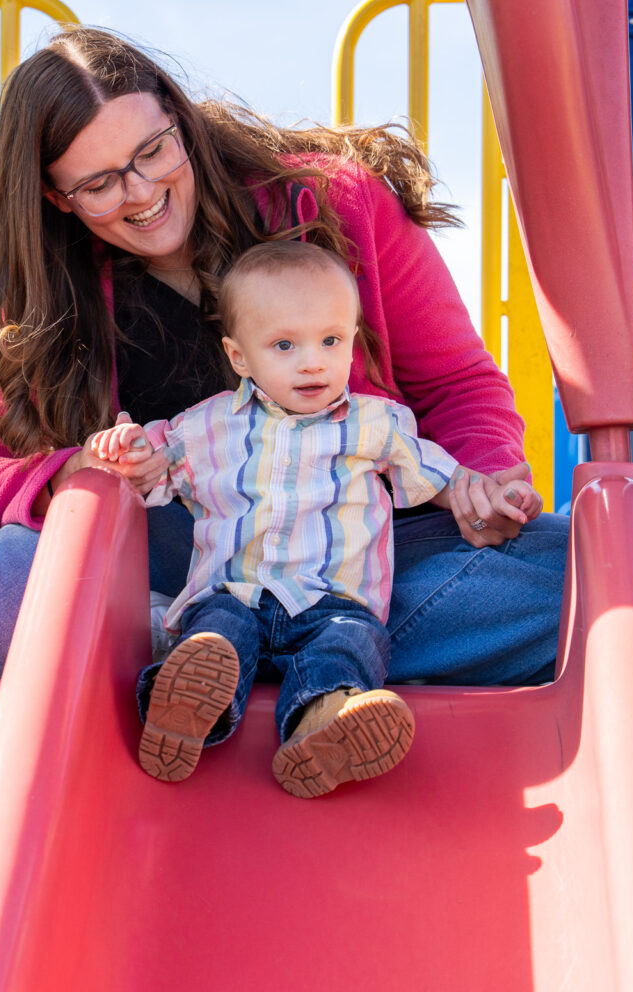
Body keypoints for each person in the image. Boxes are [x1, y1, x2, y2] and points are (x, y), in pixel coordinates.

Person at [0, 24, 567, 692]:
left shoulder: (334, 206)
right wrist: (72, 477)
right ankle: (258, 644)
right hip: (170, 558)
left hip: (352, 550)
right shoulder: (50, 299)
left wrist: (484, 485)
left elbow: (456, 384)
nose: (143, 192)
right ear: (56, 198)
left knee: (583, 575)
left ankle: (196, 646)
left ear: (177, 117)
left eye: (152, 151)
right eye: (100, 183)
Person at [87, 242, 540, 797]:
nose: (312, 361)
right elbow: (152, 475)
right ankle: (184, 703)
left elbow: (446, 480)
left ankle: (327, 723)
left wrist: (489, 496)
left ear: (352, 338)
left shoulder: (379, 425)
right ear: (239, 357)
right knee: (216, 632)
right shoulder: (202, 427)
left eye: (331, 340)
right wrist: (129, 452)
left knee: (352, 646)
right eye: (284, 345)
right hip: (235, 593)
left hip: (334, 605)